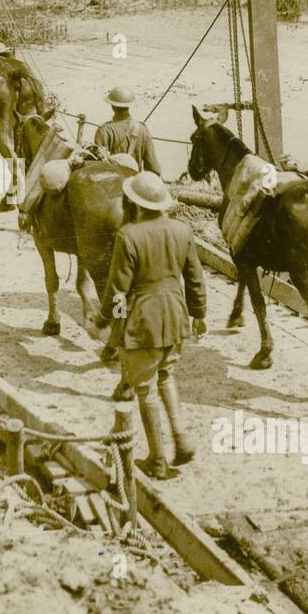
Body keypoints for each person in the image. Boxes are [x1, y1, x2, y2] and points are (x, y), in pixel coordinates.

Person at [97, 171, 208, 480]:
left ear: (133, 203)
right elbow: (195, 278)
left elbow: (118, 288)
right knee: (167, 376)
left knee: (145, 390)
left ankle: (158, 459)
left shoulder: (128, 236)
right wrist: (199, 314)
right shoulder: (182, 230)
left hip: (143, 319)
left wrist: (110, 319)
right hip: (175, 314)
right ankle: (181, 439)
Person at [94, 86, 161, 175]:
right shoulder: (143, 129)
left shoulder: (104, 130)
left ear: (112, 106)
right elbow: (154, 169)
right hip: (134, 184)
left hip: (111, 185)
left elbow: (99, 168)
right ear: (129, 105)